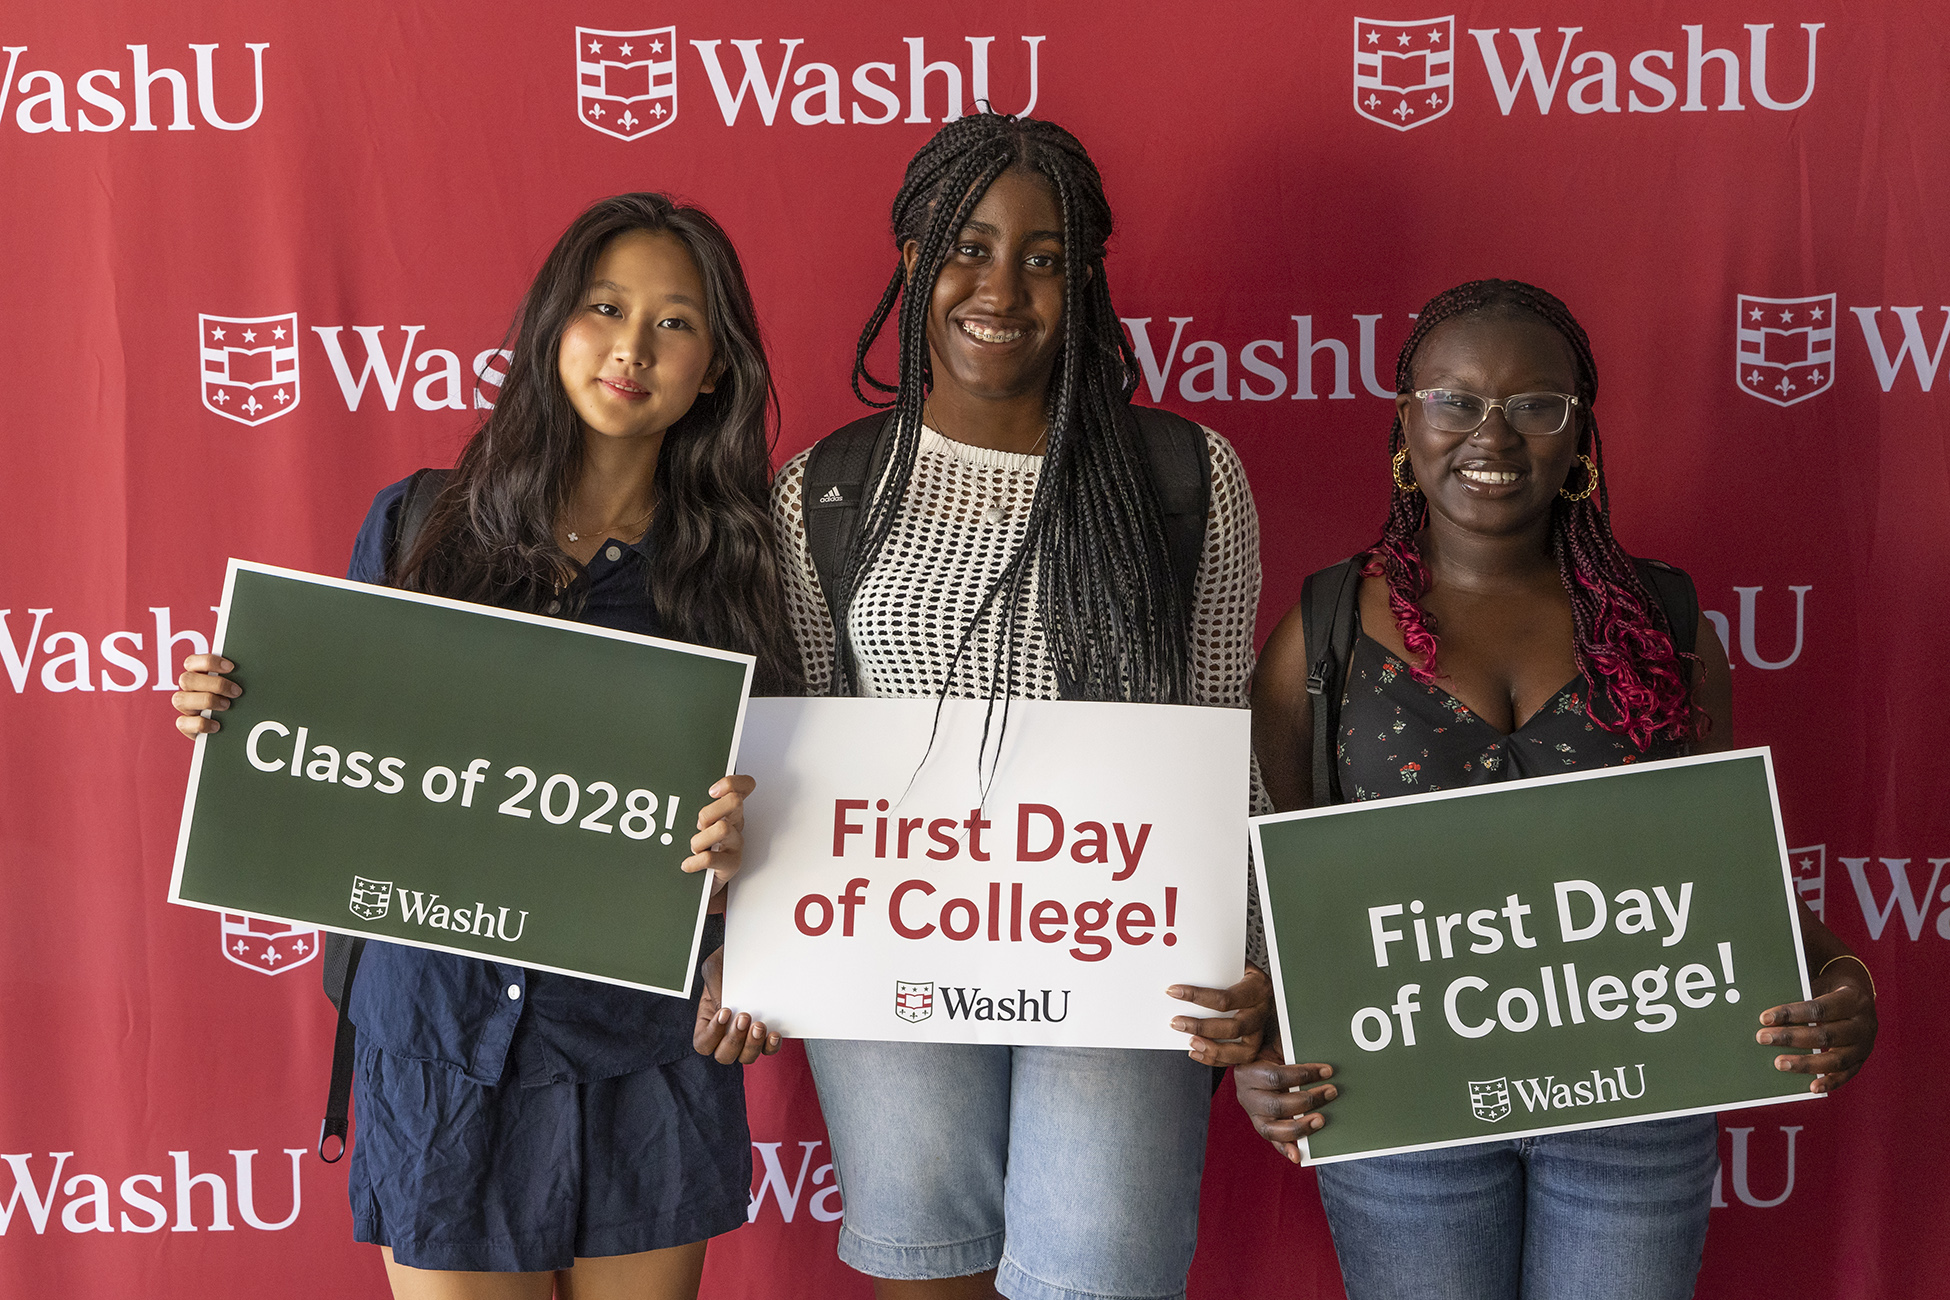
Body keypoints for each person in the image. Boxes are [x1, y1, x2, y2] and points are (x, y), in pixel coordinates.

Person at [171, 193, 796, 1300]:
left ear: (715, 370)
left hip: (639, 1046)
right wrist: (238, 712)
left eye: (674, 322)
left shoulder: (737, 576)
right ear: (555, 325)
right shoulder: (419, 525)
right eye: (606, 307)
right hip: (438, 1037)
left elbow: (796, 817)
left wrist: (751, 843)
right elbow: (332, 761)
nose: (631, 346)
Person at [1239, 279, 1879, 1299]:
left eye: (1536, 405)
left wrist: (1846, 974)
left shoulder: (1664, 627)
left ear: (1579, 435)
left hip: (1636, 1100)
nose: (1492, 434)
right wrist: (1264, 1049)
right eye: (1455, 400)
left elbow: (1716, 875)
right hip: (1403, 1105)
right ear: (1406, 421)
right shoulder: (1320, 635)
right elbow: (1281, 896)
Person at [758, 111, 1269, 1300]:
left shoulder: (1185, 477)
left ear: (1085, 280)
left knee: (1098, 1272)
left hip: (1122, 952)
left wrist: (1250, 952)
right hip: (889, 949)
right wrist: (757, 948)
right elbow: (804, 750)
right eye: (967, 246)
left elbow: (1220, 728)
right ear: (910, 259)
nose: (1004, 287)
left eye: (1046, 258)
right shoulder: (825, 491)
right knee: (927, 1271)